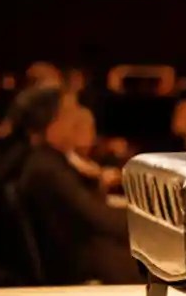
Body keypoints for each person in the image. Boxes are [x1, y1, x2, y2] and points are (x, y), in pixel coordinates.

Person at [14, 88, 137, 284]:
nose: (76, 121)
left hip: (89, 252)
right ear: (52, 122)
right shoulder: (46, 168)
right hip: (80, 265)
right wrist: (150, 226)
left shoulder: (49, 160)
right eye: (69, 114)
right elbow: (96, 217)